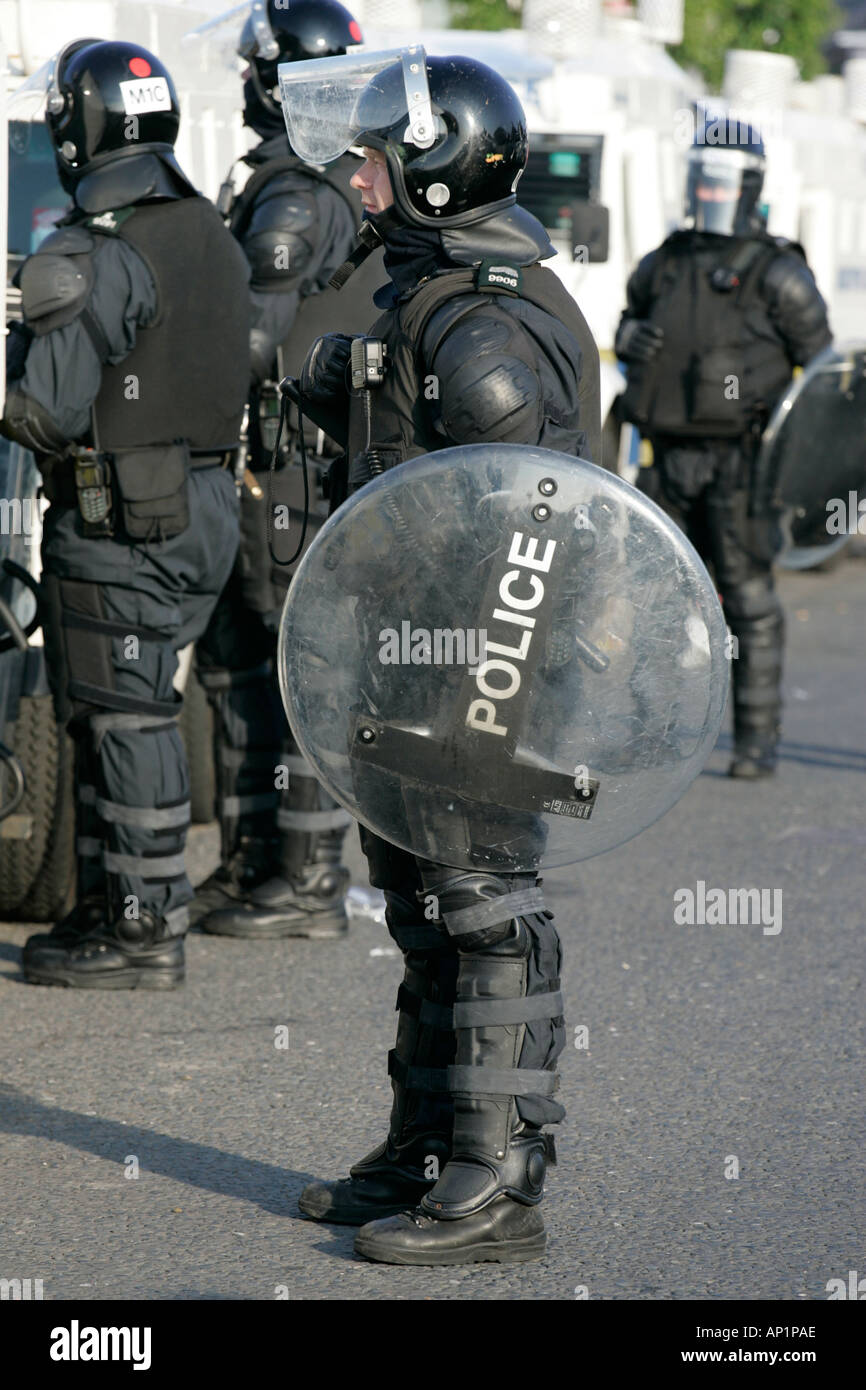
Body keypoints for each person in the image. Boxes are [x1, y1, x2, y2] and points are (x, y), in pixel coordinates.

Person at [279, 48, 601, 1264]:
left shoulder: (482, 334)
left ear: (432, 172)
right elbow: (410, 469)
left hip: (481, 670)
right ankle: (425, 1149)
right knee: (422, 912)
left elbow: (517, 528)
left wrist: (478, 692)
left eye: (372, 161)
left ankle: (498, 1182)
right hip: (411, 662)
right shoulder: (434, 296)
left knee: (484, 914)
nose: (356, 181)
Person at [2, 39, 250, 988]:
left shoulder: (100, 249)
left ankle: (144, 932)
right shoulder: (208, 229)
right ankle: (113, 909)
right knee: (127, 710)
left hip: (122, 523)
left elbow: (44, 413)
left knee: (127, 719)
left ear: (81, 126)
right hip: (203, 508)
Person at [189, 0, 384, 940]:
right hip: (270, 463)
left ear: (277, 79)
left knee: (289, 661)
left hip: (289, 471)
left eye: (249, 68)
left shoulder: (300, 191)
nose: (238, 84)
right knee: (236, 663)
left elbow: (252, 336)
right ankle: (248, 862)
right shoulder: (304, 175)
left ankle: (305, 881)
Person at [615, 116, 832, 778]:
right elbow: (629, 319)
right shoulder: (665, 261)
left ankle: (756, 741)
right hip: (667, 457)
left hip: (741, 465)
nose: (707, 193)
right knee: (655, 596)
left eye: (721, 181)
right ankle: (651, 734)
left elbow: (823, 379)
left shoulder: (780, 275)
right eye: (700, 178)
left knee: (747, 601)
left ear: (749, 188)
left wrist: (794, 465)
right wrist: (627, 341)